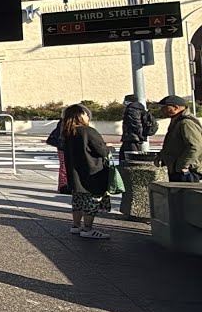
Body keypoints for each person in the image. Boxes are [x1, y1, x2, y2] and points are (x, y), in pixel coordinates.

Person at [60, 103, 112, 239]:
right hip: (92, 173)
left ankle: (76, 225)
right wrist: (109, 148)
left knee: (77, 201)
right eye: (85, 114)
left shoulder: (68, 133)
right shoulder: (88, 131)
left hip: (75, 174)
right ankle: (87, 228)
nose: (88, 116)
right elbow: (101, 150)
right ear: (80, 116)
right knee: (91, 202)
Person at [155, 95, 202, 182]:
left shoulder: (186, 122)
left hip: (187, 171)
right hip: (176, 168)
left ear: (176, 108)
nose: (161, 110)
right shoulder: (176, 121)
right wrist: (161, 155)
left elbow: (195, 146)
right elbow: (173, 143)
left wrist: (182, 165)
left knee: (187, 194)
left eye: (164, 108)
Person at [120, 94, 158, 163]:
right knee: (127, 157)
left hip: (132, 138)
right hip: (134, 138)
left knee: (130, 158)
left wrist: (140, 136)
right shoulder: (140, 108)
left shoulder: (131, 110)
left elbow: (136, 124)